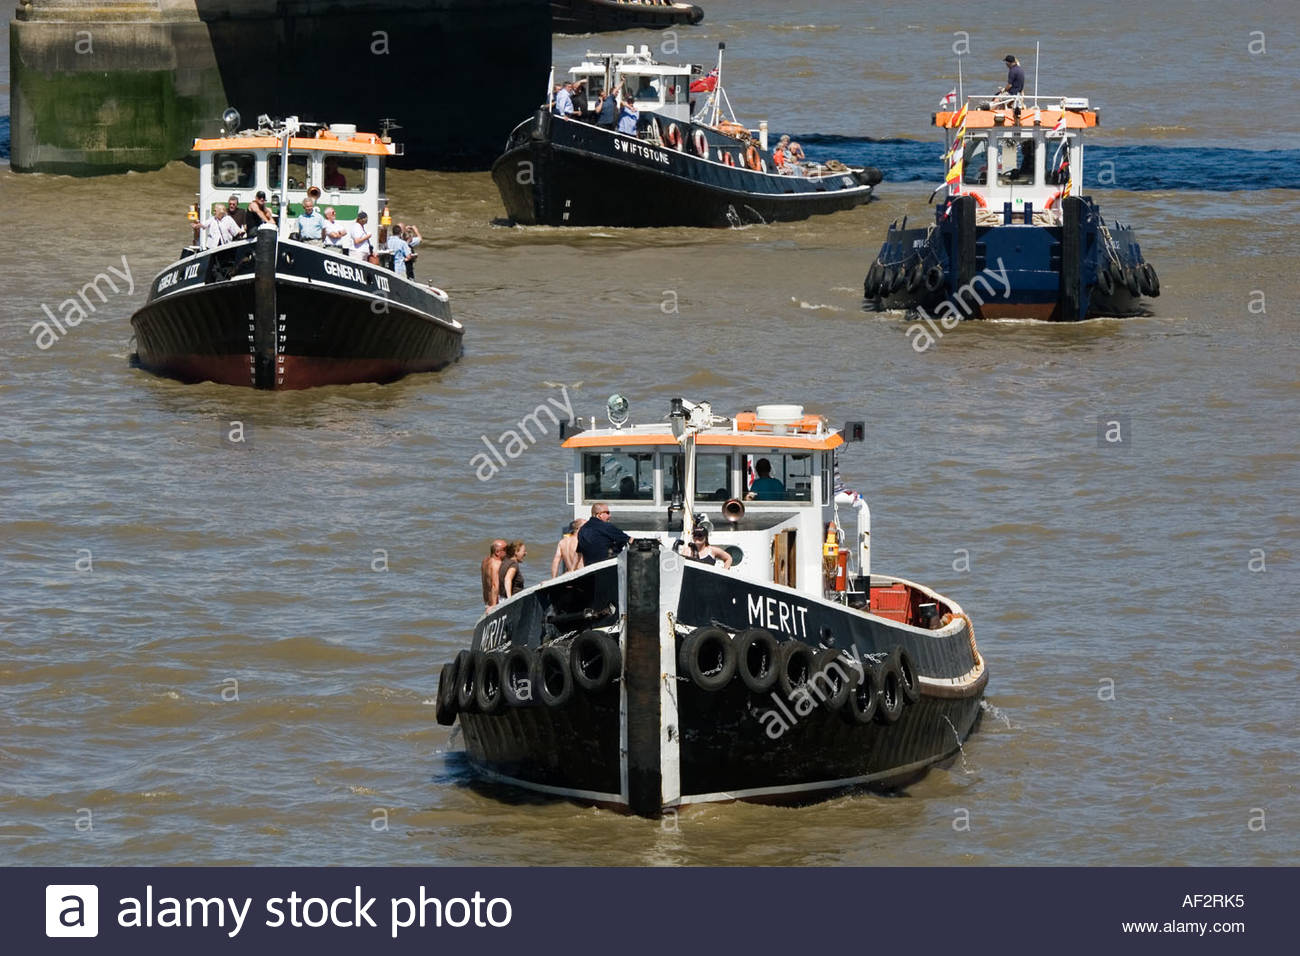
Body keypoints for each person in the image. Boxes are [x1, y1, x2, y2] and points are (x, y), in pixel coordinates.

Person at [480, 539, 506, 612]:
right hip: (495, 604)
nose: (507, 552)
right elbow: (495, 585)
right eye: (505, 550)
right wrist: (494, 606)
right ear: (497, 552)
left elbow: (484, 584)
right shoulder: (496, 563)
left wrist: (488, 604)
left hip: (488, 603)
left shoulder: (485, 562)